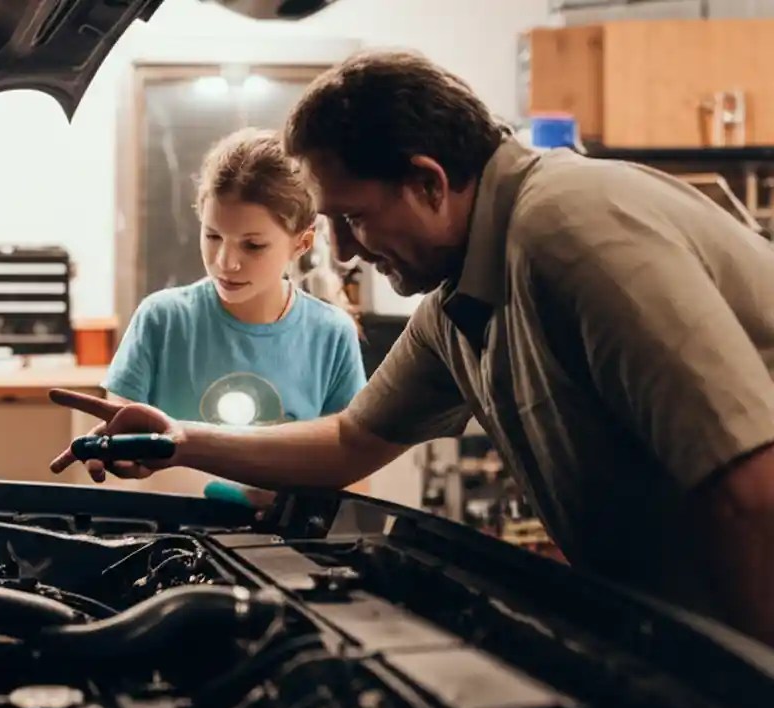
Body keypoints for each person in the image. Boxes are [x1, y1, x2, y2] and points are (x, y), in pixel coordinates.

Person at [51, 50, 774, 645]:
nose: (345, 252)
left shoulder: (572, 233)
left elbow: (753, 493)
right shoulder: (459, 299)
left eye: (353, 218)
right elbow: (348, 439)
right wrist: (179, 440)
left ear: (428, 182)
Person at [100, 127, 367, 504]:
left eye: (253, 245)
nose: (226, 262)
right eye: (212, 237)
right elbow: (122, 453)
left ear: (302, 242)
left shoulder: (332, 334)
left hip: (280, 552)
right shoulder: (161, 319)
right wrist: (116, 453)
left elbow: (351, 473)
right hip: (168, 542)